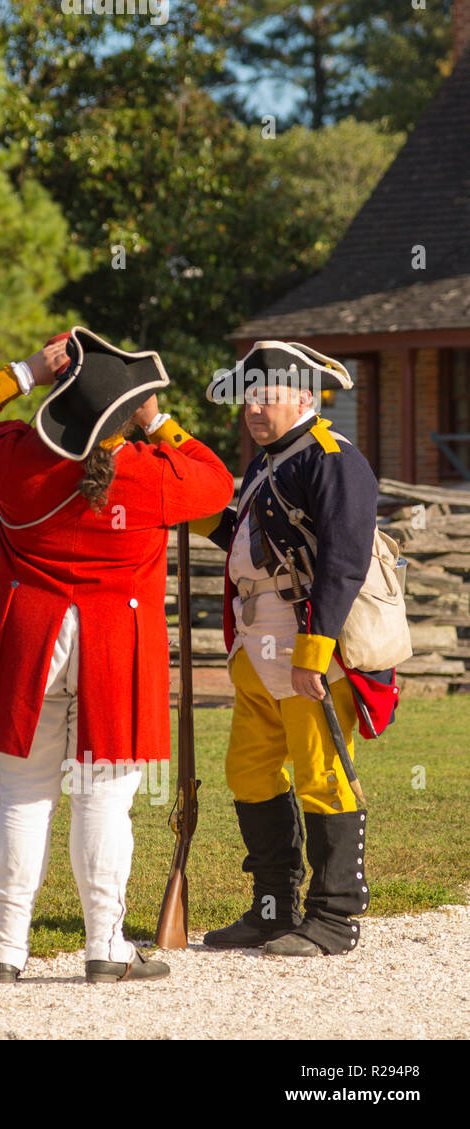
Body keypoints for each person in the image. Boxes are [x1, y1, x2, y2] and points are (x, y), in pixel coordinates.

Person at [0, 328, 233, 983]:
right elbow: (216, 482)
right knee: (103, 803)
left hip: (28, 648)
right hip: (111, 653)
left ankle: (4, 949)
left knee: (22, 800)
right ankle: (106, 946)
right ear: (129, 412)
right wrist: (161, 424)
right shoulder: (153, 474)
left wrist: (22, 369)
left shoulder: (16, 454)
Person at [196, 341, 377, 957]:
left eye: (265, 396)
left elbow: (346, 561)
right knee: (248, 771)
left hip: (308, 647)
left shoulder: (332, 458)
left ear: (304, 397)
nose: (252, 407)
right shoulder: (264, 462)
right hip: (254, 644)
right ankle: (273, 908)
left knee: (323, 774)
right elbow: (247, 536)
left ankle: (333, 917)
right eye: (248, 396)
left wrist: (314, 650)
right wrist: (195, 512)